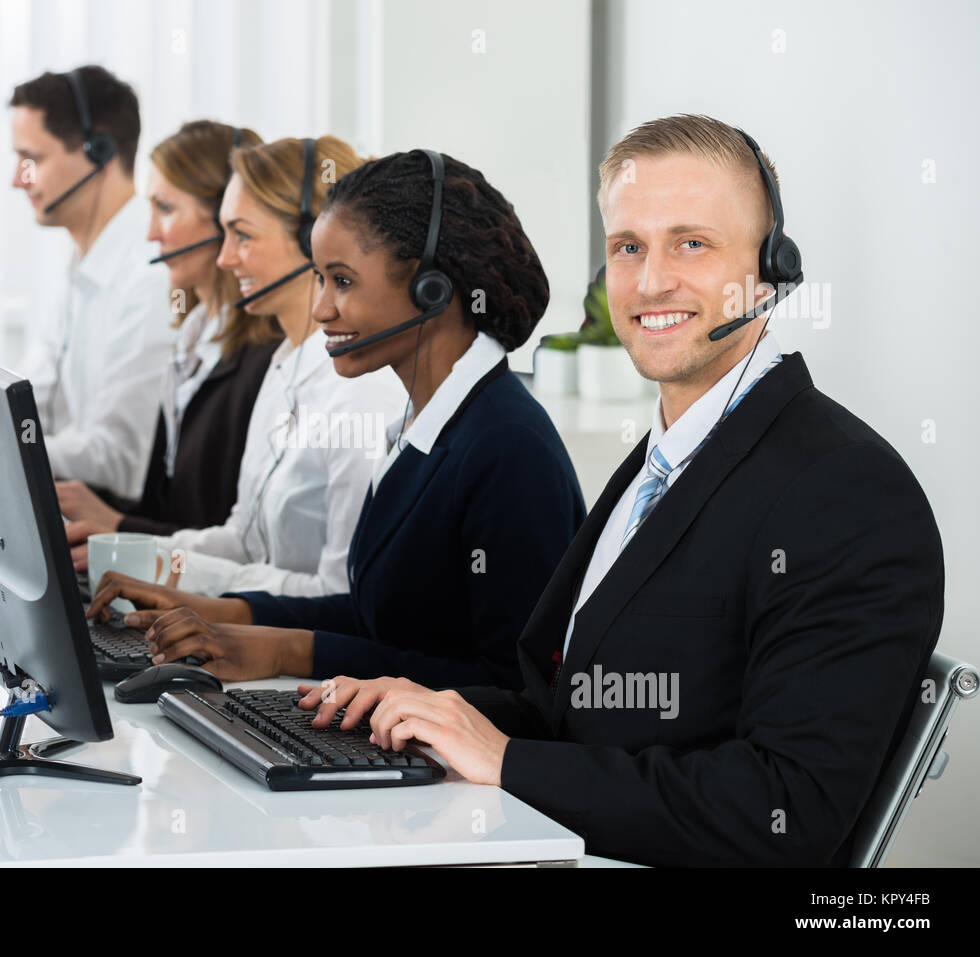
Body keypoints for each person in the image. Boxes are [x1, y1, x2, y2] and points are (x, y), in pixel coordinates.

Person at [295, 115, 945, 867]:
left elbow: (787, 808)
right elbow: (569, 715)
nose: (651, 280)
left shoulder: (846, 491)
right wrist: (423, 708)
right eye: (628, 247)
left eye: (691, 244)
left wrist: (505, 760)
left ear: (770, 270)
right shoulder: (662, 460)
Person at [87, 150, 586, 689]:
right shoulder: (422, 425)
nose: (321, 309)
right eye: (321, 279)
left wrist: (289, 651)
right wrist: (221, 612)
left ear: (431, 290)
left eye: (342, 281)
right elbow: (383, 621)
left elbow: (516, 689)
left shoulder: (507, 449)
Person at [71, 136, 404, 596]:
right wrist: (131, 553)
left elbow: (342, 593)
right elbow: (242, 539)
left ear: (315, 238)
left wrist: (180, 573)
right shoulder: (283, 366)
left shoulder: (359, 390)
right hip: (254, 633)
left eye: (243, 235)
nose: (225, 258)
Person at [57, 120, 282, 544]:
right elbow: (169, 509)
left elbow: (226, 540)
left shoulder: (264, 361)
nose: (151, 233)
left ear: (225, 218)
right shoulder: (191, 339)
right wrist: (96, 519)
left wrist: (119, 526)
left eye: (166, 208)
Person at [9, 65, 173, 499]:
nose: (17, 179)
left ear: (99, 151)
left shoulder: (150, 274)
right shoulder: (79, 265)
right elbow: (30, 397)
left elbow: (117, 458)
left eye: (33, 159)